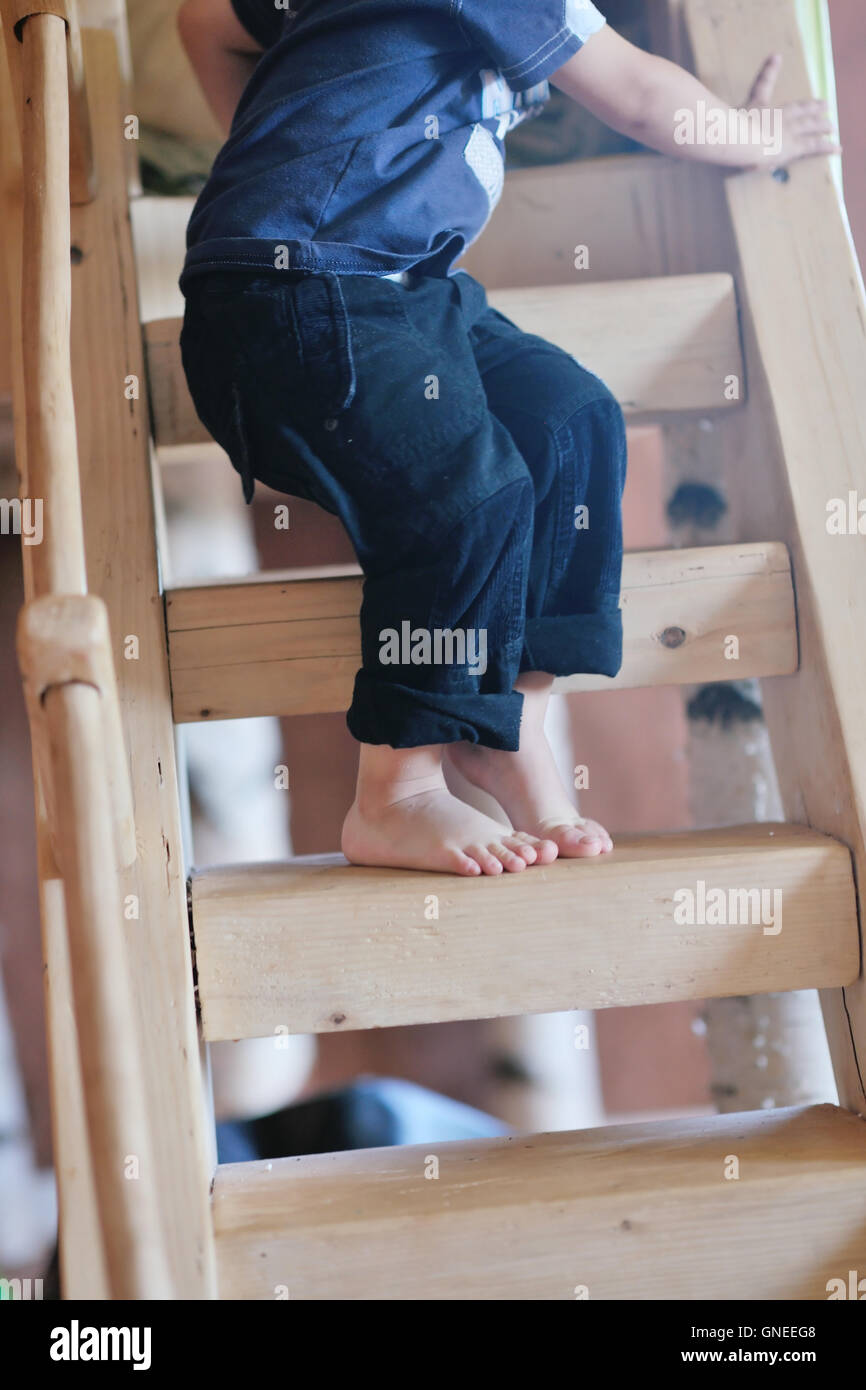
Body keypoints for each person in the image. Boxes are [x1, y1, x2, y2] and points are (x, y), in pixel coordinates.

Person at [178, 0, 838, 876]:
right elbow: (640, 96)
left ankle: (500, 724)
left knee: (570, 423)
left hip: (403, 294)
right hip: (293, 293)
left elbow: (201, 21)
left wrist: (284, 145)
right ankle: (397, 791)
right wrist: (751, 135)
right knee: (469, 493)